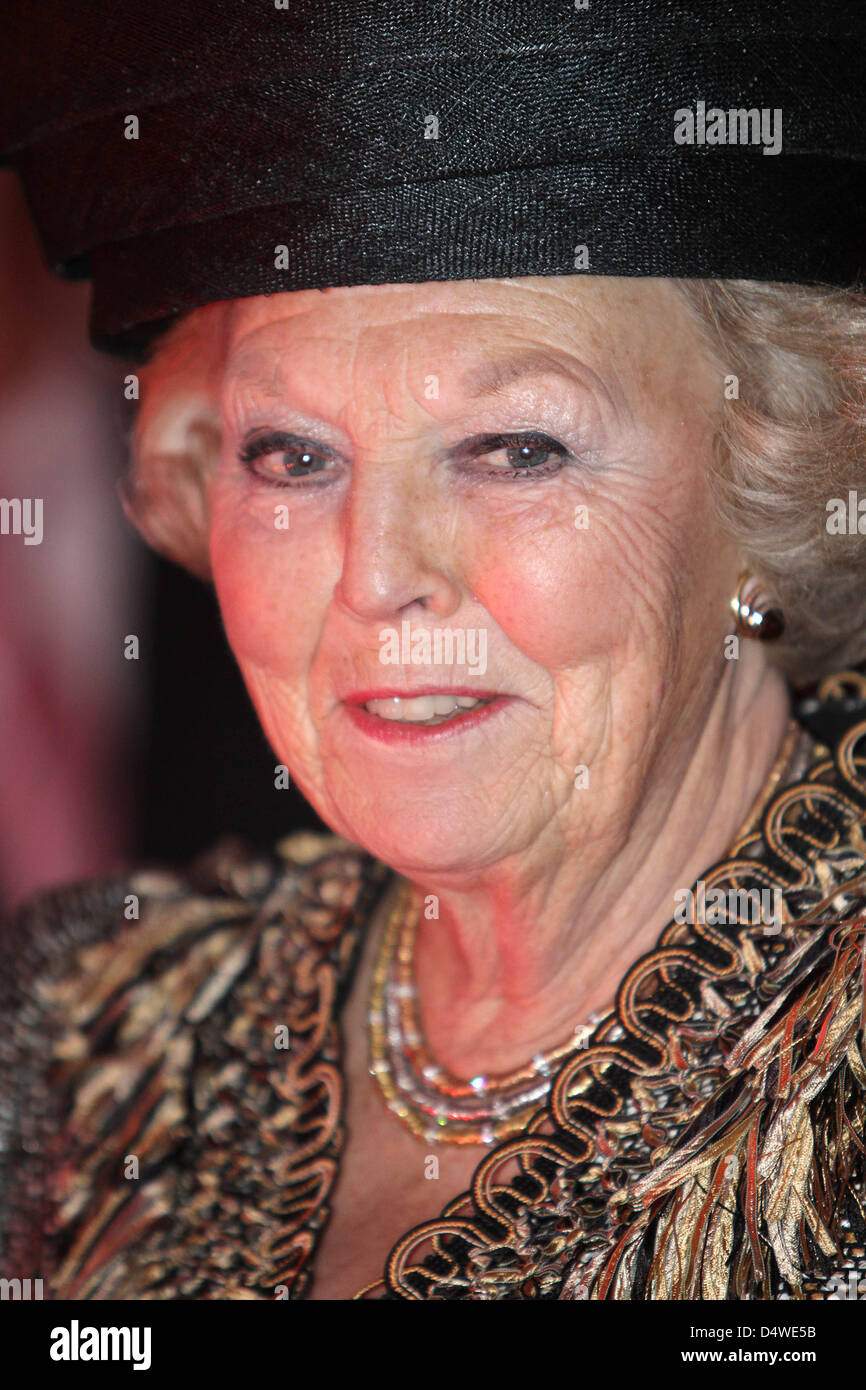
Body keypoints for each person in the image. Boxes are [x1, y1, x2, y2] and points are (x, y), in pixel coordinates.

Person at [1, 1, 865, 1301]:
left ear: (771, 483)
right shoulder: (88, 1031)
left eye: (514, 449)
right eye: (291, 456)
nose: (375, 576)